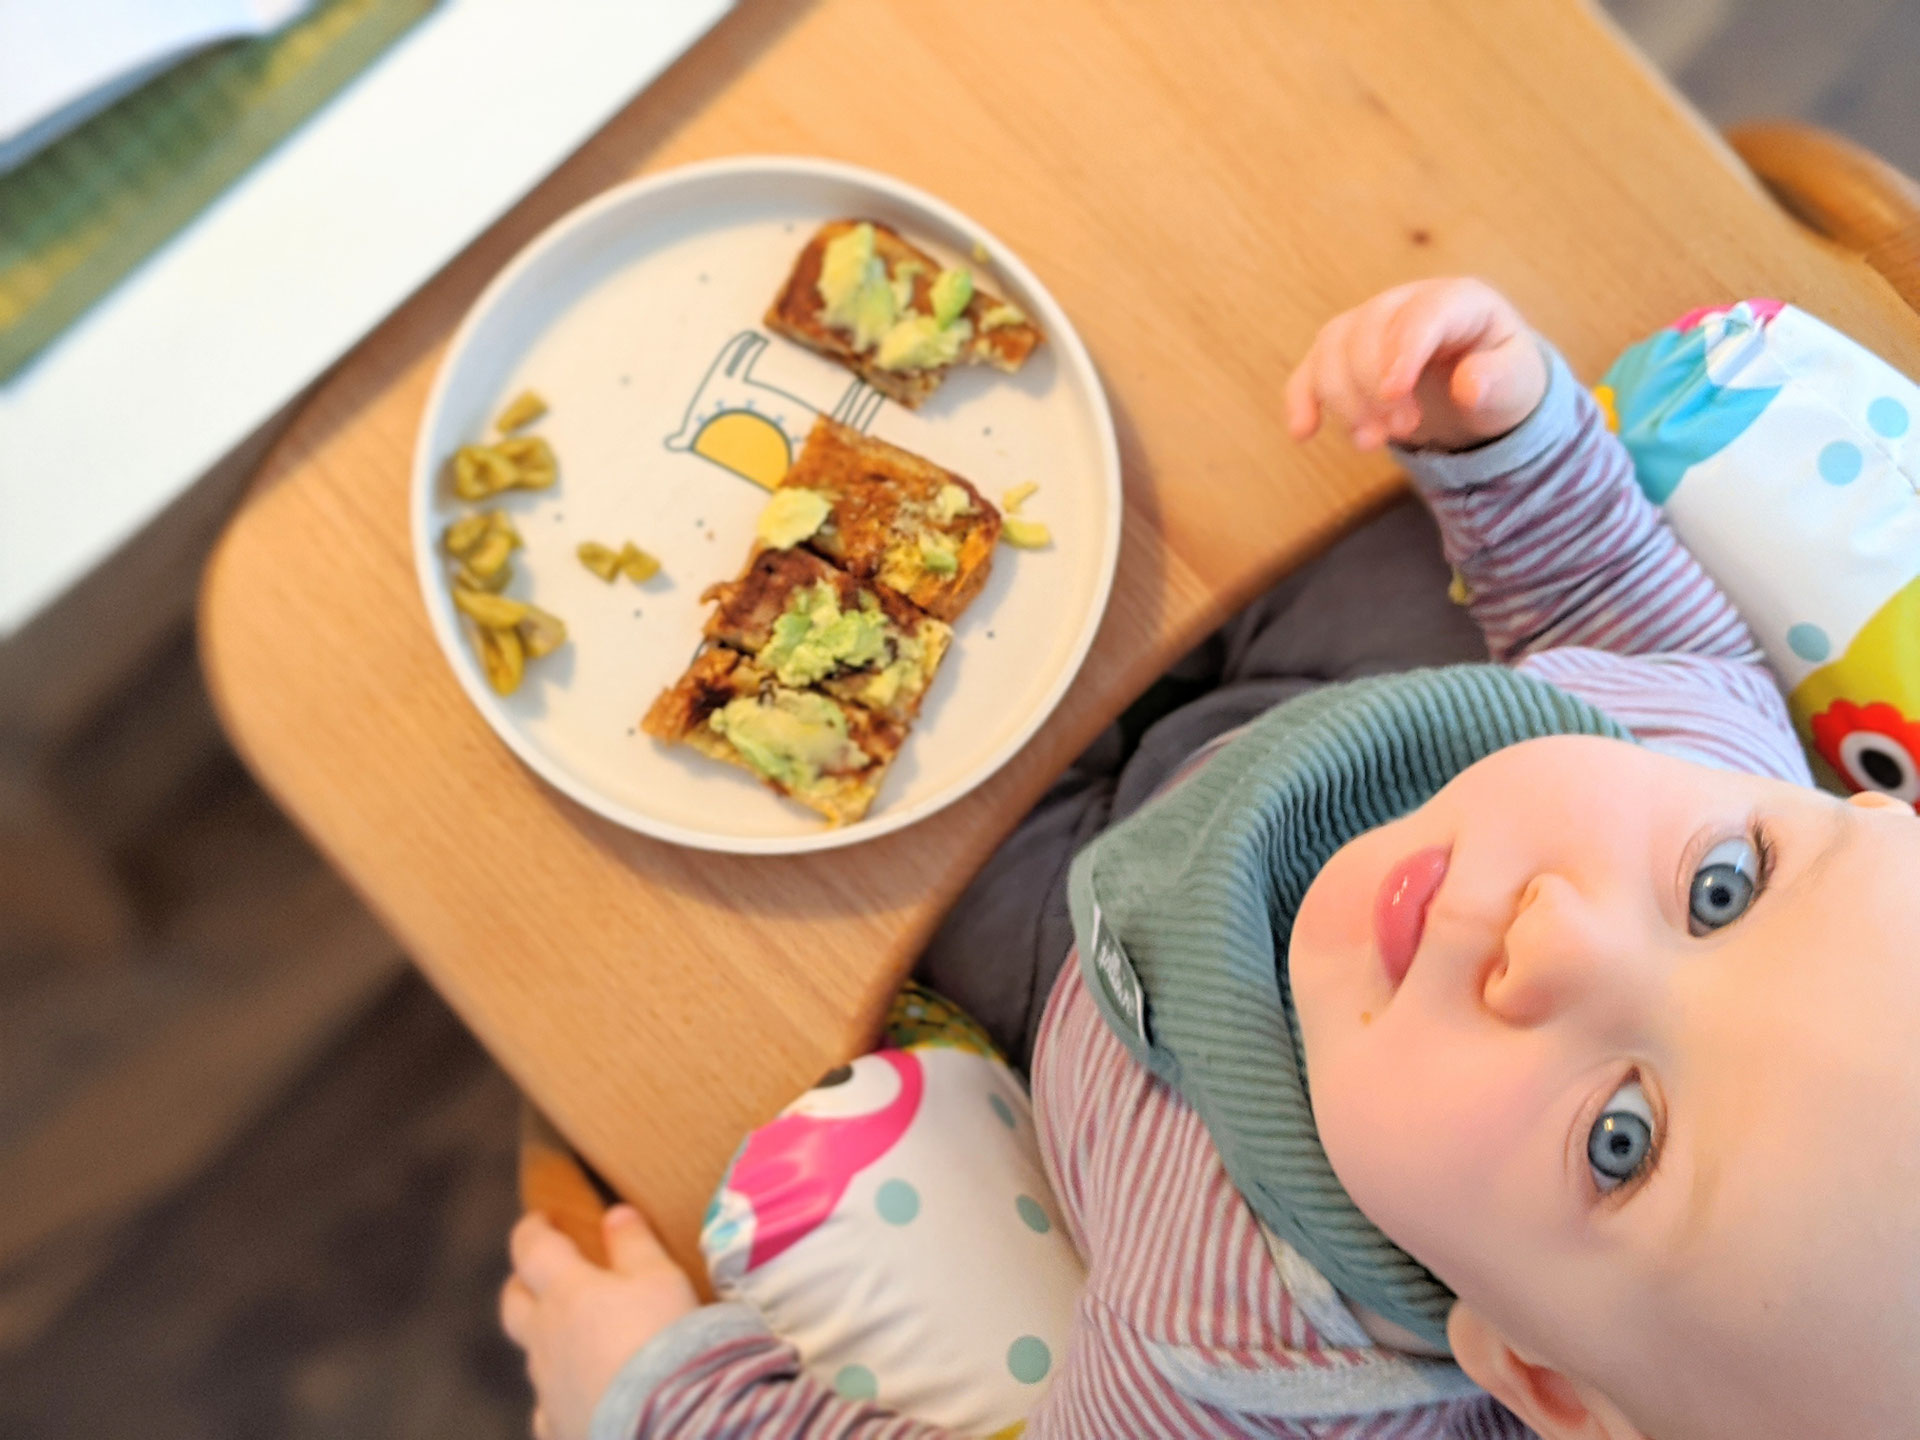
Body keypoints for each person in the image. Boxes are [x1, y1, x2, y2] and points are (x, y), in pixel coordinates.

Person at [499, 278, 1920, 1440]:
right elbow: (1638, 621)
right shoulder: (1706, 767)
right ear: (1864, 818)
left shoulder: (1239, 1368)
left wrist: (663, 1397)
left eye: (1621, 1141)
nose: (1555, 936)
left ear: (1532, 1373)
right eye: (1720, 894)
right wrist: (1508, 441)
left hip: (1088, 960)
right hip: (1358, 679)